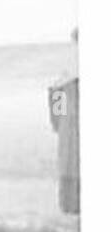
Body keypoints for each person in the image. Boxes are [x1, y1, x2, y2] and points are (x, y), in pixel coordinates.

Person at [48, 29, 78, 215]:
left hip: (69, 125)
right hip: (69, 124)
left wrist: (58, 123)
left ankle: (69, 205)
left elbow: (56, 97)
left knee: (69, 163)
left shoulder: (67, 66)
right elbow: (56, 98)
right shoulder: (69, 66)